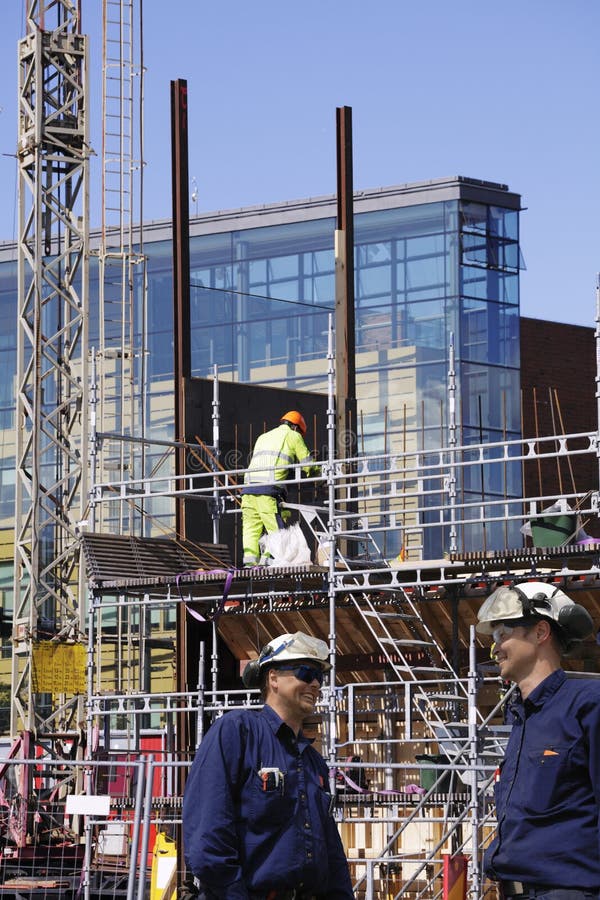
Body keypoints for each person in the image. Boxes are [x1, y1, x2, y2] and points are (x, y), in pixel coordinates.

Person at [183, 631, 355, 899]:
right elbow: (208, 837)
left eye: (319, 677)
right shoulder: (237, 732)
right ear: (273, 678)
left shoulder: (313, 762)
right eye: (306, 673)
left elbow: (331, 851)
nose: (315, 684)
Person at [476, 580, 599, 900]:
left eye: (503, 634)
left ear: (541, 632)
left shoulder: (588, 704)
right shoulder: (523, 717)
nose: (495, 648)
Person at [241, 412, 320, 567]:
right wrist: (318, 472)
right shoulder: (293, 436)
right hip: (267, 491)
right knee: (276, 532)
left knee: (250, 529)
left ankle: (250, 565)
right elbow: (308, 464)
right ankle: (268, 562)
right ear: (295, 427)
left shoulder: (263, 437)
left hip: (248, 490)